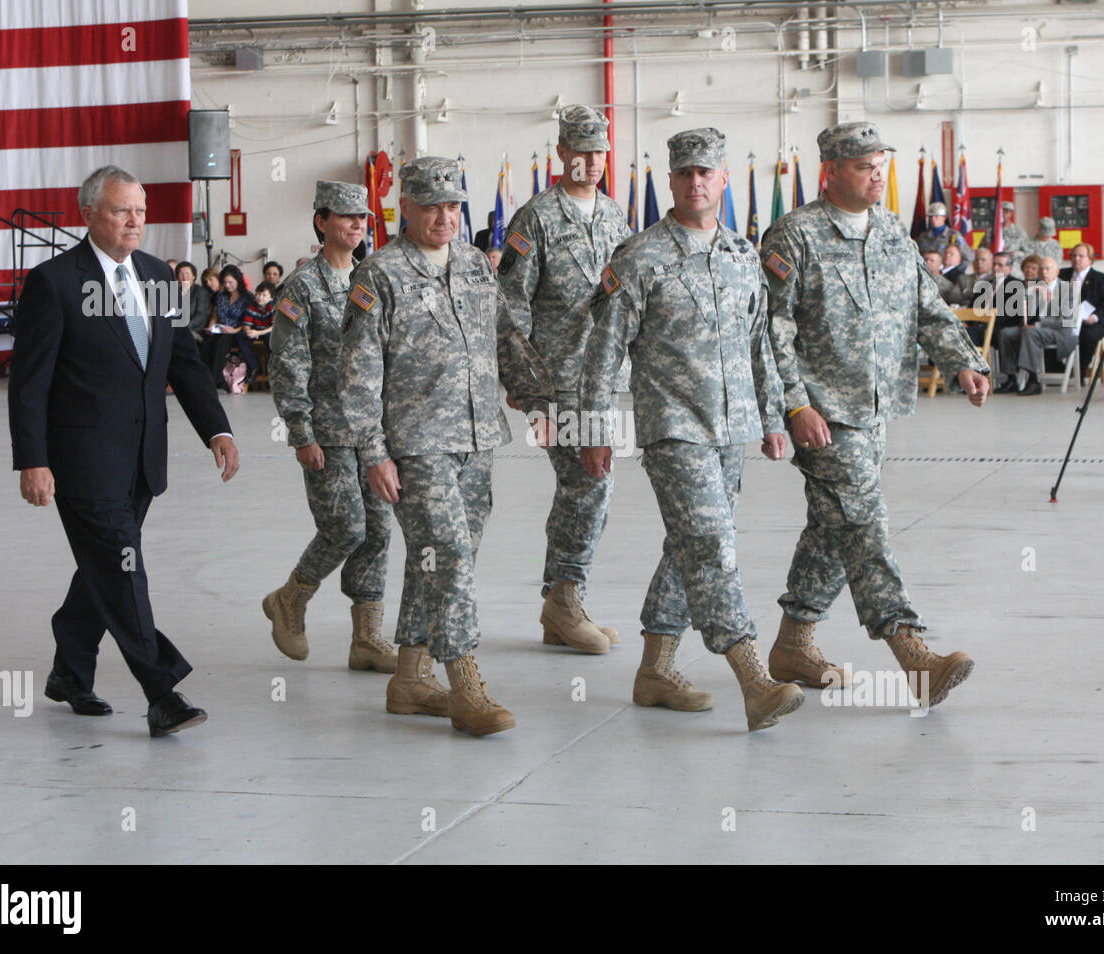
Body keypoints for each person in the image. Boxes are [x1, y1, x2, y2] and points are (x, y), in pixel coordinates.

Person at [579, 128, 801, 733]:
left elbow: (762, 346)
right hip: (672, 426)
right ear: (671, 182)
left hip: (732, 429)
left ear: (723, 180)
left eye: (707, 172)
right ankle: (754, 678)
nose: (696, 182)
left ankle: (655, 670)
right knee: (712, 545)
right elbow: (603, 350)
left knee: (687, 545)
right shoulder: (639, 257)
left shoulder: (742, 256)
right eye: (685, 174)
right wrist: (593, 428)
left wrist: (774, 417)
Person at [760, 122, 989, 708]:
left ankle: (793, 644)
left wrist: (962, 361)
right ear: (830, 171)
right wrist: (795, 403)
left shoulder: (892, 231)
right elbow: (771, 332)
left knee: (832, 526)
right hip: (824, 414)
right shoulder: (795, 235)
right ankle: (912, 651)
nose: (877, 174)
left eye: (880, 164)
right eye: (864, 166)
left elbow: (927, 305)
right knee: (865, 521)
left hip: (877, 406)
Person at [8, 165, 239, 737]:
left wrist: (217, 429)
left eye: (140, 209)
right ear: (88, 213)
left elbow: (181, 361)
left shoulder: (159, 275)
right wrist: (31, 460)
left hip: (142, 456)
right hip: (81, 459)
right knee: (119, 563)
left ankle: (69, 670)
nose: (135, 220)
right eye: (121, 210)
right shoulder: (55, 281)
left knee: (105, 565)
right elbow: (29, 382)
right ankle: (162, 692)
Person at [339, 156, 554, 736]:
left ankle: (410, 677)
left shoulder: (475, 266)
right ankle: (464, 683)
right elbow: (357, 374)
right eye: (432, 205)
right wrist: (373, 451)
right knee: (450, 557)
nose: (445, 216)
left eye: (454, 205)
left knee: (438, 561)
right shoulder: (378, 275)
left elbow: (505, 336)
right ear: (404, 206)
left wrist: (538, 400)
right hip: (416, 444)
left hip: (479, 437)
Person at [497, 104, 632, 655]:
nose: (593, 162)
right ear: (562, 154)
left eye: (600, 151)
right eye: (582, 152)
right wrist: (527, 390)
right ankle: (566, 598)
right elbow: (511, 307)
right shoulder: (536, 219)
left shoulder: (613, 216)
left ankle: (561, 603)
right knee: (588, 484)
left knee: (586, 486)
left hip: (603, 378)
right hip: (557, 380)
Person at [264, 181, 399, 676]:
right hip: (326, 429)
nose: (357, 226)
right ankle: (290, 598)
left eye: (362, 218)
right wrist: (301, 432)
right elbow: (287, 364)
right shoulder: (302, 287)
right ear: (322, 222)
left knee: (379, 531)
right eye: (346, 217)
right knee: (345, 527)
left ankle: (366, 638)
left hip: (372, 431)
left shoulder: (374, 278)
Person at [995, 255, 1074, 395]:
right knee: (1006, 333)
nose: (1044, 272)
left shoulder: (1066, 289)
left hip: (1059, 332)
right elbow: (1022, 313)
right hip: (1033, 329)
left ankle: (1033, 380)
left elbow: (1065, 321)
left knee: (1030, 333)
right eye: (1041, 269)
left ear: (1057, 272)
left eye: (1048, 269)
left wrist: (1038, 323)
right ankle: (1010, 378)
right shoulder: (1034, 287)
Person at [1067, 243, 1104, 384]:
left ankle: (1079, 373)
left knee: (1087, 335)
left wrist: (1095, 316)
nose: (1076, 259)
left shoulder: (1101, 278)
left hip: (1092, 321)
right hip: (1067, 319)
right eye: (1074, 256)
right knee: (1048, 332)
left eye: (1081, 256)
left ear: (1090, 259)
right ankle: (1060, 371)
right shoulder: (1062, 274)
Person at [208, 264, 260, 389]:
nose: (227, 285)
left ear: (238, 281)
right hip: (221, 329)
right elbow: (216, 314)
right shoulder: (221, 295)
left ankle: (215, 381)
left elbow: (250, 320)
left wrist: (234, 330)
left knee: (221, 343)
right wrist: (211, 326)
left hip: (238, 331)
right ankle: (206, 378)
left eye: (230, 282)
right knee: (206, 343)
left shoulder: (247, 297)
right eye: (224, 282)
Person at [916, 201, 974, 265]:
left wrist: (956, 272)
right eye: (931, 216)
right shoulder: (923, 236)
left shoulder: (954, 236)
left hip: (946, 273)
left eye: (936, 216)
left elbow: (968, 257)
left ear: (944, 217)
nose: (933, 219)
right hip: (927, 272)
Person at [980, 200, 1031, 264]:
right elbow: (982, 249)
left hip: (1014, 269)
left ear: (1011, 213)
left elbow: (1029, 252)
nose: (1003, 214)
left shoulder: (1019, 232)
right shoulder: (991, 232)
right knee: (999, 274)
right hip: (997, 268)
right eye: (1001, 212)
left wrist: (1016, 254)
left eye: (1006, 212)